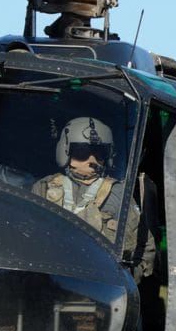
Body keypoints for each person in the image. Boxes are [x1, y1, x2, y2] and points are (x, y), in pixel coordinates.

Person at [32, 117, 154, 277]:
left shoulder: (118, 195)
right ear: (65, 151)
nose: (91, 160)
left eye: (99, 152)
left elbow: (145, 249)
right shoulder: (44, 188)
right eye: (82, 152)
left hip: (99, 287)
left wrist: (123, 279)